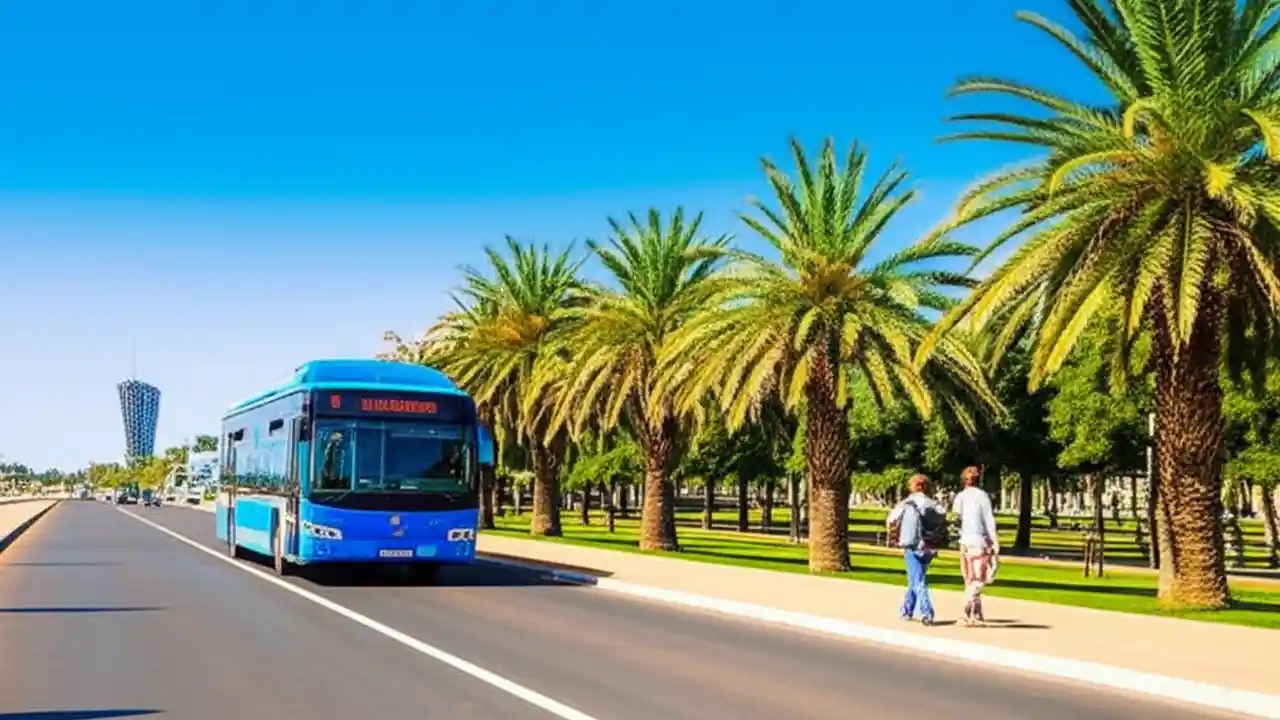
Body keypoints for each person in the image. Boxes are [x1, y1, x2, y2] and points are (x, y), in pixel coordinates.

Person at [886, 474, 944, 625]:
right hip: (929, 546)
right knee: (915, 579)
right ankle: (906, 610)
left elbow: (891, 520)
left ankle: (927, 613)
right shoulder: (933, 504)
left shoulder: (906, 503)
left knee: (918, 581)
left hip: (912, 545)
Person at [952, 465, 999, 626]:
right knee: (978, 579)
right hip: (980, 542)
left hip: (965, 542)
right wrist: (994, 541)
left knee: (969, 578)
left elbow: (955, 521)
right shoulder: (983, 496)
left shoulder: (960, 497)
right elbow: (989, 520)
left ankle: (976, 612)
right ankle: (968, 609)